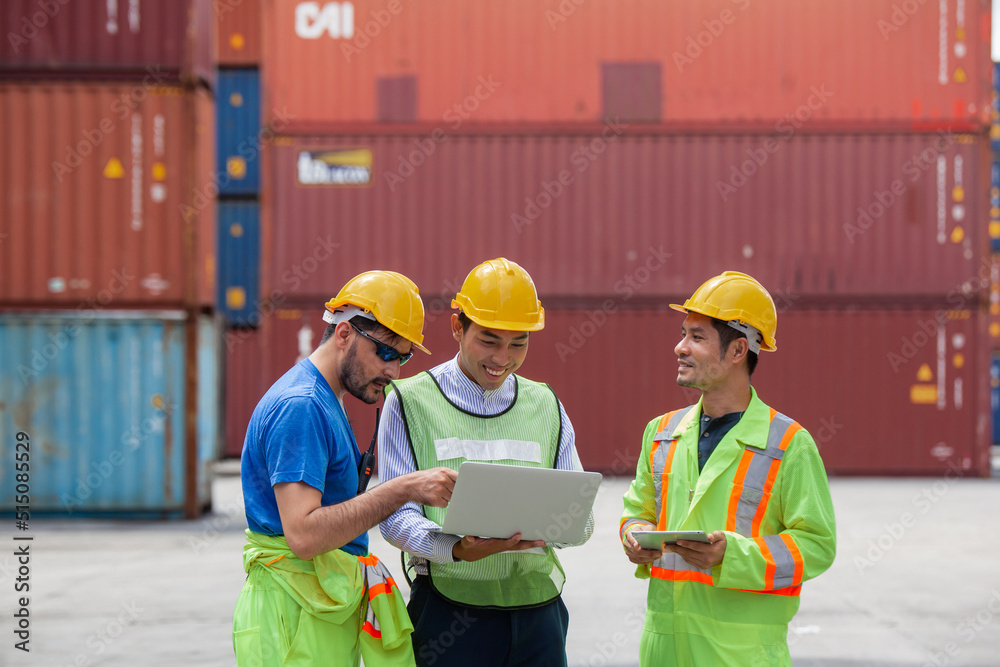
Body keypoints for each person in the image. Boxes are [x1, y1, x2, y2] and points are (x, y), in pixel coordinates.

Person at [233, 270, 459, 667]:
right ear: (343, 334)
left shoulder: (326, 400)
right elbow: (303, 534)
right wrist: (402, 489)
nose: (394, 372)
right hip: (293, 618)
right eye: (386, 353)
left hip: (311, 608)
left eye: (403, 357)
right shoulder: (302, 406)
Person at [378, 257, 593, 667]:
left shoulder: (546, 404)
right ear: (458, 326)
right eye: (489, 340)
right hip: (448, 614)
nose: (503, 358)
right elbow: (396, 518)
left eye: (519, 343)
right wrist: (456, 549)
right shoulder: (409, 402)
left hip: (537, 613)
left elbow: (580, 519)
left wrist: (558, 527)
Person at [620, 271, 836, 666]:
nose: (679, 347)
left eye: (696, 337)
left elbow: (817, 546)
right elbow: (638, 512)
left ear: (738, 351)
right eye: (683, 333)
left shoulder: (789, 444)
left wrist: (730, 556)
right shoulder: (662, 432)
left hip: (740, 656)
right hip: (663, 651)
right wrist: (636, 536)